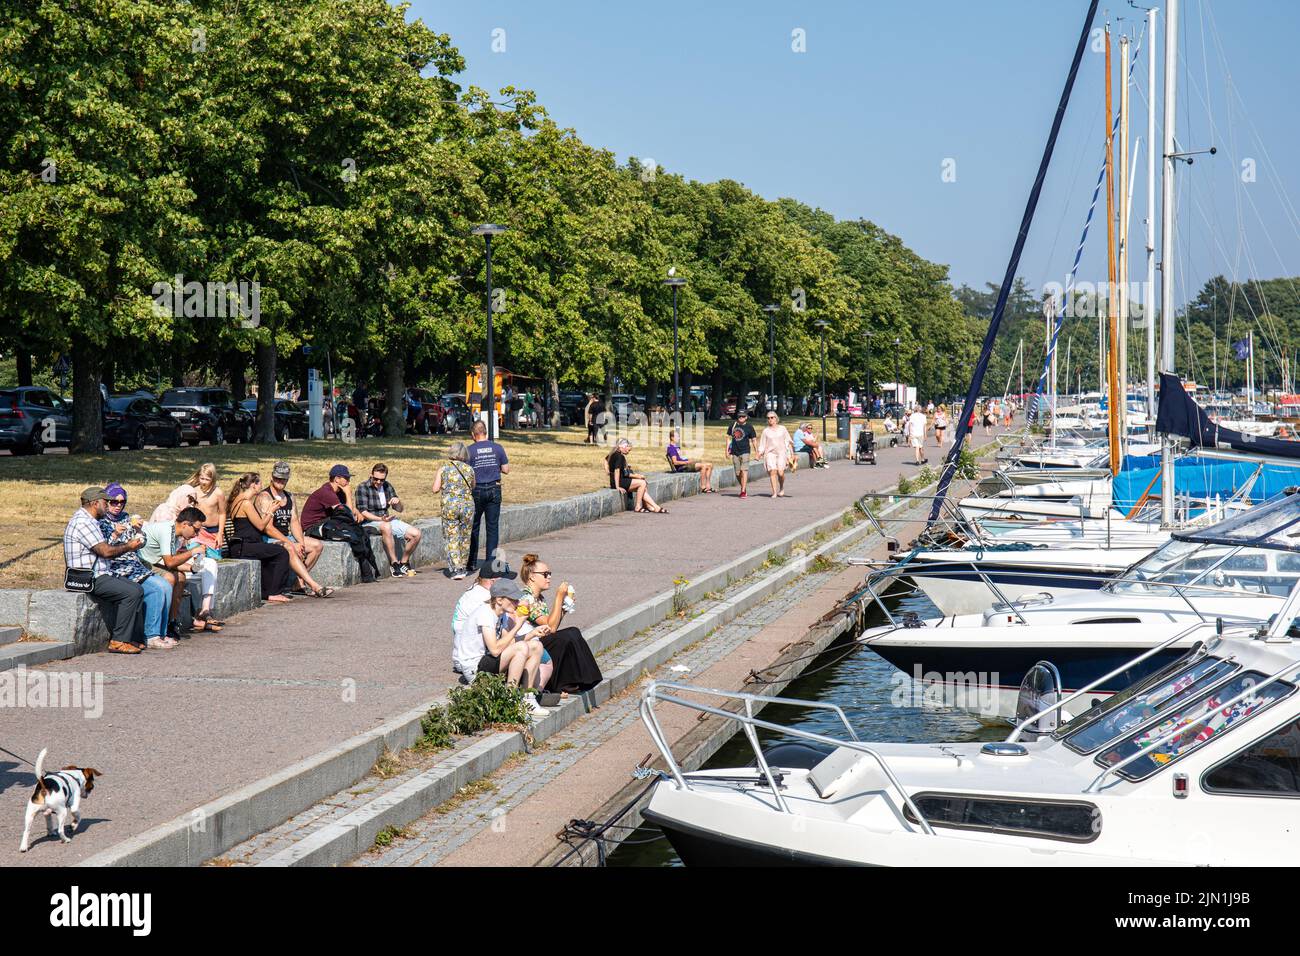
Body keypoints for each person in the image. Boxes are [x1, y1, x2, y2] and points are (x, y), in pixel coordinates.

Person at [64, 487, 148, 655]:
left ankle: (131, 637)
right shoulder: (83, 522)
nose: (108, 505)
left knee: (136, 588)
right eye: (106, 502)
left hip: (99, 574)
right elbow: (106, 551)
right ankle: (118, 641)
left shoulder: (90, 520)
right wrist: (129, 546)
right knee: (132, 592)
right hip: (87, 578)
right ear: (95, 503)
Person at [452, 577, 549, 717]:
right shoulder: (485, 614)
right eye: (513, 599)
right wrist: (518, 625)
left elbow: (508, 642)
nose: (517, 603)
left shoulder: (501, 614)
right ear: (499, 600)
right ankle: (510, 699)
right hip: (474, 668)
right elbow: (495, 650)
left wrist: (533, 633)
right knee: (522, 647)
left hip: (489, 661)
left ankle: (528, 699)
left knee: (536, 646)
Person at [517, 553, 603, 694]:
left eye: (549, 574)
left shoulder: (539, 598)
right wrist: (558, 597)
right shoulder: (527, 597)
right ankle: (569, 682)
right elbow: (550, 627)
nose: (549, 577)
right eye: (545, 574)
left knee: (573, 632)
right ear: (532, 576)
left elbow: (552, 625)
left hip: (539, 638)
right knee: (567, 637)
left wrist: (563, 609)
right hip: (531, 643)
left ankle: (579, 680)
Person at [138, 506, 212, 643]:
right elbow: (170, 563)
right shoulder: (167, 530)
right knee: (170, 578)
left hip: (153, 562)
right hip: (141, 562)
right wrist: (192, 552)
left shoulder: (176, 534)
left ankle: (170, 623)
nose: (196, 534)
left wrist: (192, 568)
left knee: (181, 577)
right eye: (195, 530)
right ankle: (159, 629)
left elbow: (168, 562)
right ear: (185, 524)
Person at [256, 460, 325, 594]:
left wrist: (300, 542)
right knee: (291, 548)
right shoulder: (265, 497)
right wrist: (291, 543)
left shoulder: (289, 496)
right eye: (277, 478)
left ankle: (298, 582)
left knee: (317, 546)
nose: (280, 481)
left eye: (283, 479)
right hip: (269, 539)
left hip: (286, 537)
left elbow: (294, 521)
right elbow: (267, 528)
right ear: (272, 477)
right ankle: (314, 585)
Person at [301, 464, 379, 583]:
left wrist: (356, 511)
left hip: (328, 523)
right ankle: (366, 573)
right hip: (312, 528)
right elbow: (346, 514)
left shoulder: (338, 492)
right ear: (337, 479)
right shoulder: (326, 492)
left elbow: (348, 512)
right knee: (351, 535)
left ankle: (369, 572)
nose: (349, 481)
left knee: (360, 532)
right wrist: (348, 494)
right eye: (346, 478)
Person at [225, 472, 295, 602]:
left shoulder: (238, 499)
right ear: (253, 485)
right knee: (282, 553)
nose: (262, 485)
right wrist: (271, 511)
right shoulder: (245, 503)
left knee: (273, 550)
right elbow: (261, 526)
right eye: (259, 483)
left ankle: (266, 591)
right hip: (244, 546)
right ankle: (274, 592)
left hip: (243, 545)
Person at [355, 462, 422, 578]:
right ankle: (394, 563)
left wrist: (397, 501)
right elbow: (363, 513)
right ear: (371, 475)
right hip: (370, 521)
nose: (378, 482)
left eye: (382, 480)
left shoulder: (387, 486)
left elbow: (400, 509)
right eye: (376, 479)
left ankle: (404, 562)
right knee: (386, 526)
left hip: (386, 519)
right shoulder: (363, 487)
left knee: (416, 534)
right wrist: (380, 519)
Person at [467, 420, 509, 572]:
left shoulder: (469, 450)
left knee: (474, 526)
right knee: (492, 527)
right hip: (494, 488)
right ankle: (491, 563)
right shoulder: (497, 448)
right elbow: (506, 469)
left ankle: (471, 561)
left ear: (473, 435)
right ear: (485, 432)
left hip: (476, 490)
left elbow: (466, 472)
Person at [431, 441, 475, 579]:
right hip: (467, 506)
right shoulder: (469, 469)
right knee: (465, 536)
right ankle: (463, 566)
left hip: (450, 506)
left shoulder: (444, 468)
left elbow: (435, 489)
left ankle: (456, 569)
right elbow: (473, 486)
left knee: (452, 536)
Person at [606, 437, 666, 513]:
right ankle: (639, 506)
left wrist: (607, 471)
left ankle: (650, 506)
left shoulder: (613, 454)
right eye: (628, 449)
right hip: (619, 482)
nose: (629, 451)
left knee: (642, 485)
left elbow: (608, 462)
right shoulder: (619, 456)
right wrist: (617, 486)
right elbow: (617, 471)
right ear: (622, 446)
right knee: (642, 483)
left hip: (617, 481)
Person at [757, 411, 794, 499]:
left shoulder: (782, 428)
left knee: (780, 473)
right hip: (770, 453)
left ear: (776, 418)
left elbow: (788, 441)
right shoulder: (765, 431)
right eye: (768, 418)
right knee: (772, 471)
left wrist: (792, 454)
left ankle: (781, 487)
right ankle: (774, 492)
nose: (770, 419)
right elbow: (762, 444)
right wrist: (759, 453)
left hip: (781, 452)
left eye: (772, 417)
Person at [665, 428, 714, 492]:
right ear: (672, 438)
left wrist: (689, 460)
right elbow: (675, 462)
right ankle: (703, 487)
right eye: (677, 436)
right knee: (703, 466)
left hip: (686, 464)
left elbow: (681, 457)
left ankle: (708, 486)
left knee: (710, 465)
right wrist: (686, 462)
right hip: (682, 467)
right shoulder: (671, 448)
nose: (679, 438)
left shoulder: (676, 447)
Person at [726, 409, 757, 499]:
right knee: (737, 473)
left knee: (744, 471)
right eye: (739, 416)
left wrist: (757, 452)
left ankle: (743, 491)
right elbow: (728, 438)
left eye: (743, 416)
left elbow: (754, 439)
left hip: (745, 451)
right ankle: (743, 486)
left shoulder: (749, 427)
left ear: (746, 417)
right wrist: (726, 450)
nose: (741, 418)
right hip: (735, 451)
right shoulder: (733, 425)